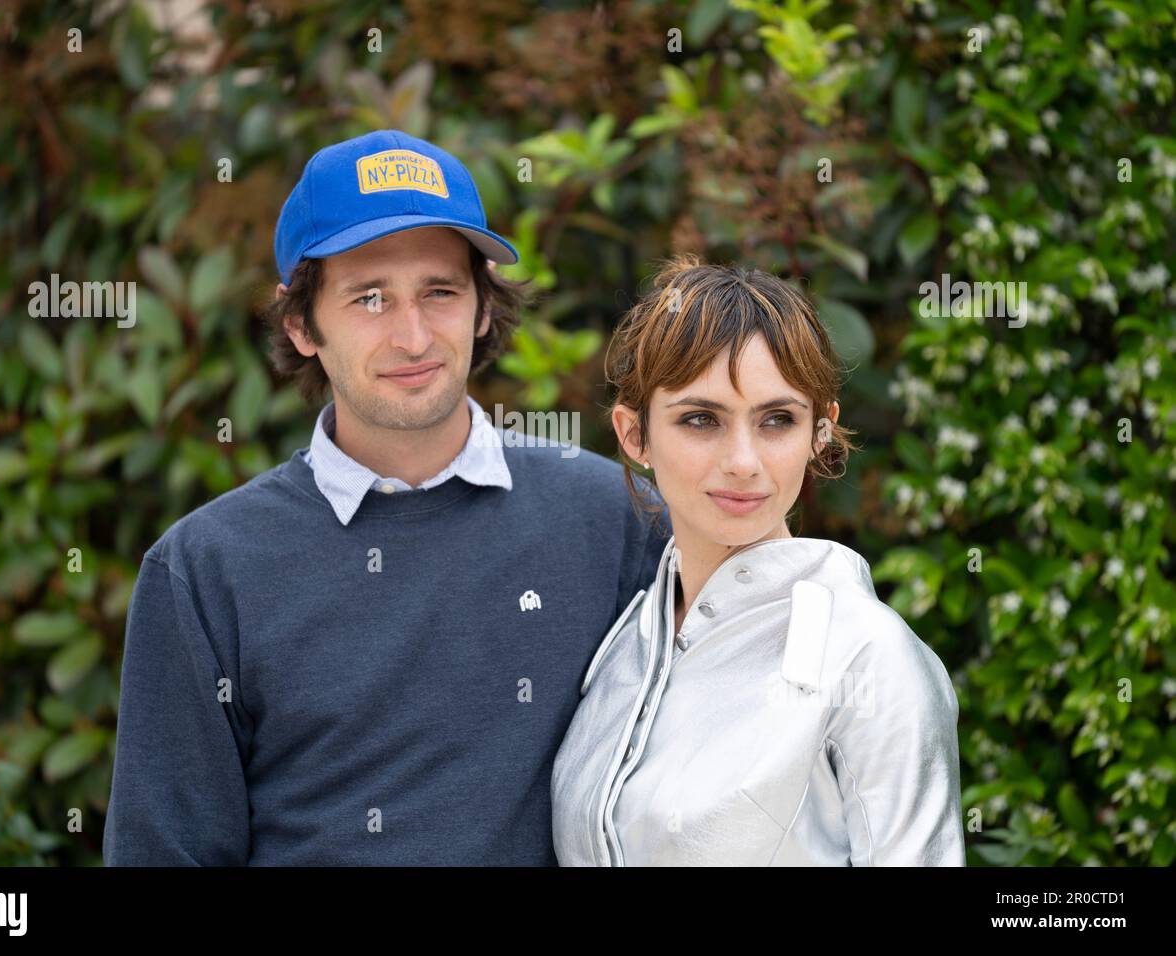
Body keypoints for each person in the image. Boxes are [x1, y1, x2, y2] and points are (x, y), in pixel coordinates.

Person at [103, 130, 669, 865]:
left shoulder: (617, 520)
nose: (413, 337)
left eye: (440, 292)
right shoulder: (206, 569)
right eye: (370, 298)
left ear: (482, 310)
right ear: (303, 323)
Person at [551, 257, 965, 866]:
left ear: (820, 433)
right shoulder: (623, 644)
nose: (743, 460)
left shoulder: (870, 656)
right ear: (634, 436)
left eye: (777, 420)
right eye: (701, 419)